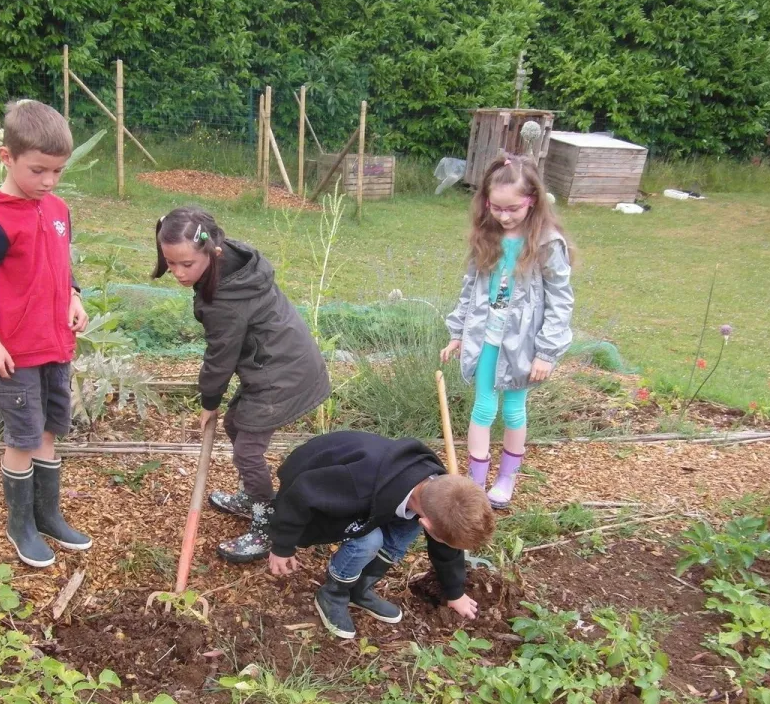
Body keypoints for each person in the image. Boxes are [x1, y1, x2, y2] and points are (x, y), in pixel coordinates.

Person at [0, 99, 92, 569]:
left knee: (51, 430)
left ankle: (48, 514)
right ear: (6, 158)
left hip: (55, 343)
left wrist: (73, 295)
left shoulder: (56, 208)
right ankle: (21, 525)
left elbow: (60, 264)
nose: (49, 181)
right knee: (23, 437)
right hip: (14, 351)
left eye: (57, 171)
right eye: (38, 170)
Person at [152, 207, 331, 562]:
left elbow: (221, 357)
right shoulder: (233, 259)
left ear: (211, 250)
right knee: (237, 424)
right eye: (171, 263)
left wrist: (209, 401)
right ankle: (253, 495)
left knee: (247, 450)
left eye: (187, 264)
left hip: (282, 375)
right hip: (277, 362)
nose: (177, 272)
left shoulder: (225, 302)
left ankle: (267, 522)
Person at [265, 431, 494, 639]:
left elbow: (446, 543)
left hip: (367, 492)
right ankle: (334, 593)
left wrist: (455, 593)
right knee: (368, 540)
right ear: (428, 523)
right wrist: (283, 545)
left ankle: (359, 589)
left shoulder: (438, 488)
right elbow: (301, 493)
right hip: (315, 481)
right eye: (441, 537)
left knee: (407, 527)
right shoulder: (358, 485)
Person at [441, 155, 574, 509]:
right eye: (496, 207)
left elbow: (561, 300)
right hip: (487, 341)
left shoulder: (547, 243)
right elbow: (470, 287)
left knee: (514, 409)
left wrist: (547, 352)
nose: (504, 216)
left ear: (533, 200)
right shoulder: (487, 237)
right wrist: (457, 332)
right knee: (482, 408)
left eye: (513, 208)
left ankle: (506, 478)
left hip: (524, 345)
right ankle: (475, 482)